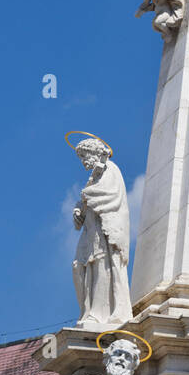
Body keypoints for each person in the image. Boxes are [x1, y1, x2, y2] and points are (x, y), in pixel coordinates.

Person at [72, 136, 132, 330]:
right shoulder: (95, 175)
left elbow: (111, 195)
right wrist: (78, 211)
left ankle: (99, 314)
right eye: (81, 157)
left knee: (101, 267)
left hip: (103, 232)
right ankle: (88, 311)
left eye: (85, 155)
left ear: (94, 152)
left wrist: (87, 195)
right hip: (91, 231)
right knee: (79, 267)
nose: (83, 161)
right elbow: (87, 200)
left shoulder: (110, 169)